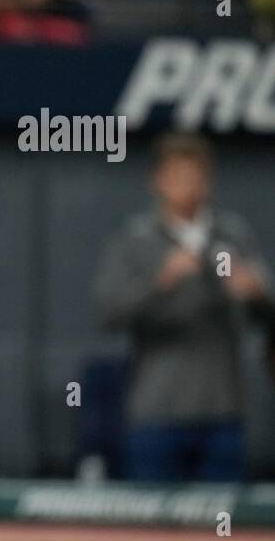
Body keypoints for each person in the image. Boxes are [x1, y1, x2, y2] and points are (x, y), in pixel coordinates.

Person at [95, 133, 273, 482]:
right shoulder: (137, 238)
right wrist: (160, 282)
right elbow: (108, 313)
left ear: (208, 181)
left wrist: (254, 293)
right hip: (157, 409)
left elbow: (266, 316)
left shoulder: (231, 234)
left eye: (195, 176)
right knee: (151, 530)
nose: (187, 186)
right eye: (177, 176)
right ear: (157, 180)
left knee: (223, 528)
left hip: (222, 409)